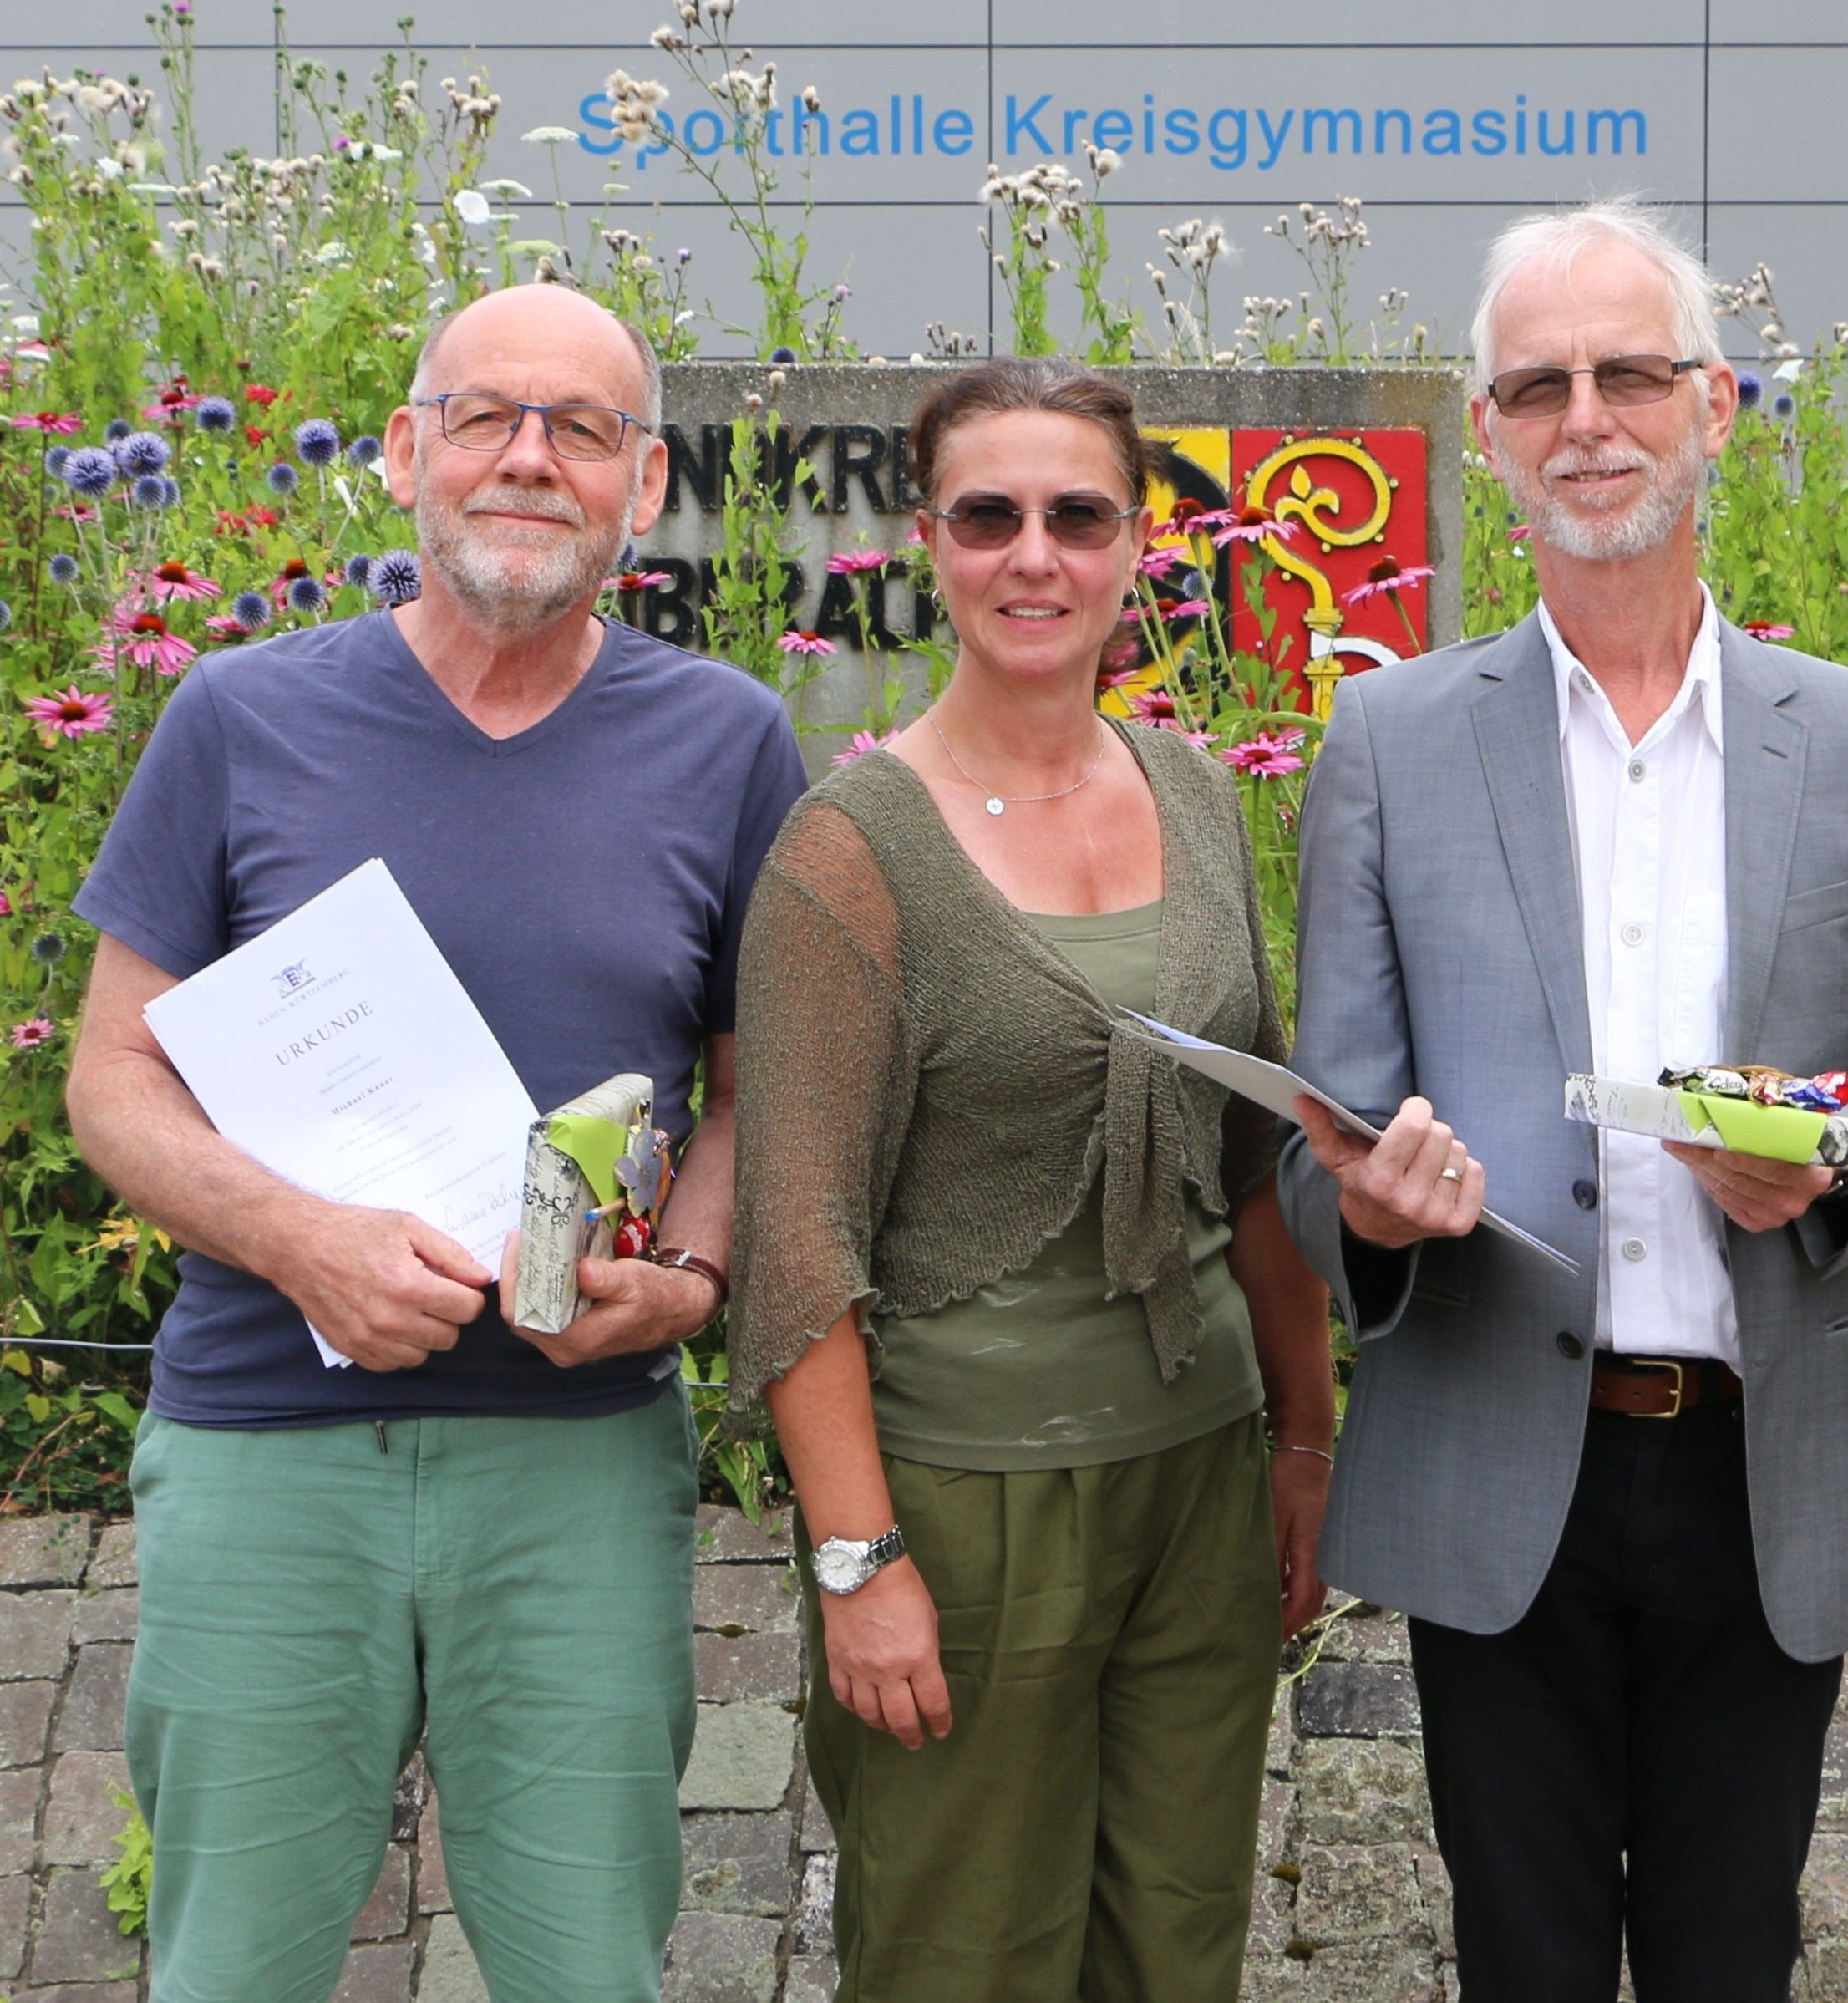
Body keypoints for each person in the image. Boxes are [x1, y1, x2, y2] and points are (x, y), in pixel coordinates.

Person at [1277, 198, 1848, 2003]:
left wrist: (1832, 1170)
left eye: (1629, 374)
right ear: (1485, 432)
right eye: (1537, 385)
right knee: (1518, 1965)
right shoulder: (1386, 745)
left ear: (1709, 404)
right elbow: (1314, 1149)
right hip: (1492, 1462)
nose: (1586, 420)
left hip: (1758, 1467)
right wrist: (1367, 1207)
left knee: (1727, 1962)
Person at [64, 286, 806, 2001]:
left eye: (583, 429)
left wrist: (688, 1274)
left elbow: (760, 1089)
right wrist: (292, 1233)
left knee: (585, 1971)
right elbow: (112, 1075)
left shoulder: (729, 742)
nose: (529, 458)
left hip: (574, 1458)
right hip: (267, 1444)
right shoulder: (242, 718)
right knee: (231, 1968)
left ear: (646, 484)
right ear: (405, 453)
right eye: (485, 416)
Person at [729, 354, 1335, 2003]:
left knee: (1175, 1937)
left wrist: (1301, 1436)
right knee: (960, 1958)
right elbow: (794, 1241)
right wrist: (859, 1561)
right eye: (989, 516)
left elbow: (1257, 1154)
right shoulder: (852, 850)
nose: (1034, 555)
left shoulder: (1196, 795)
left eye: (1077, 516)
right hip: (965, 1505)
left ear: (1139, 543)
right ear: (930, 540)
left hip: (1197, 1480)